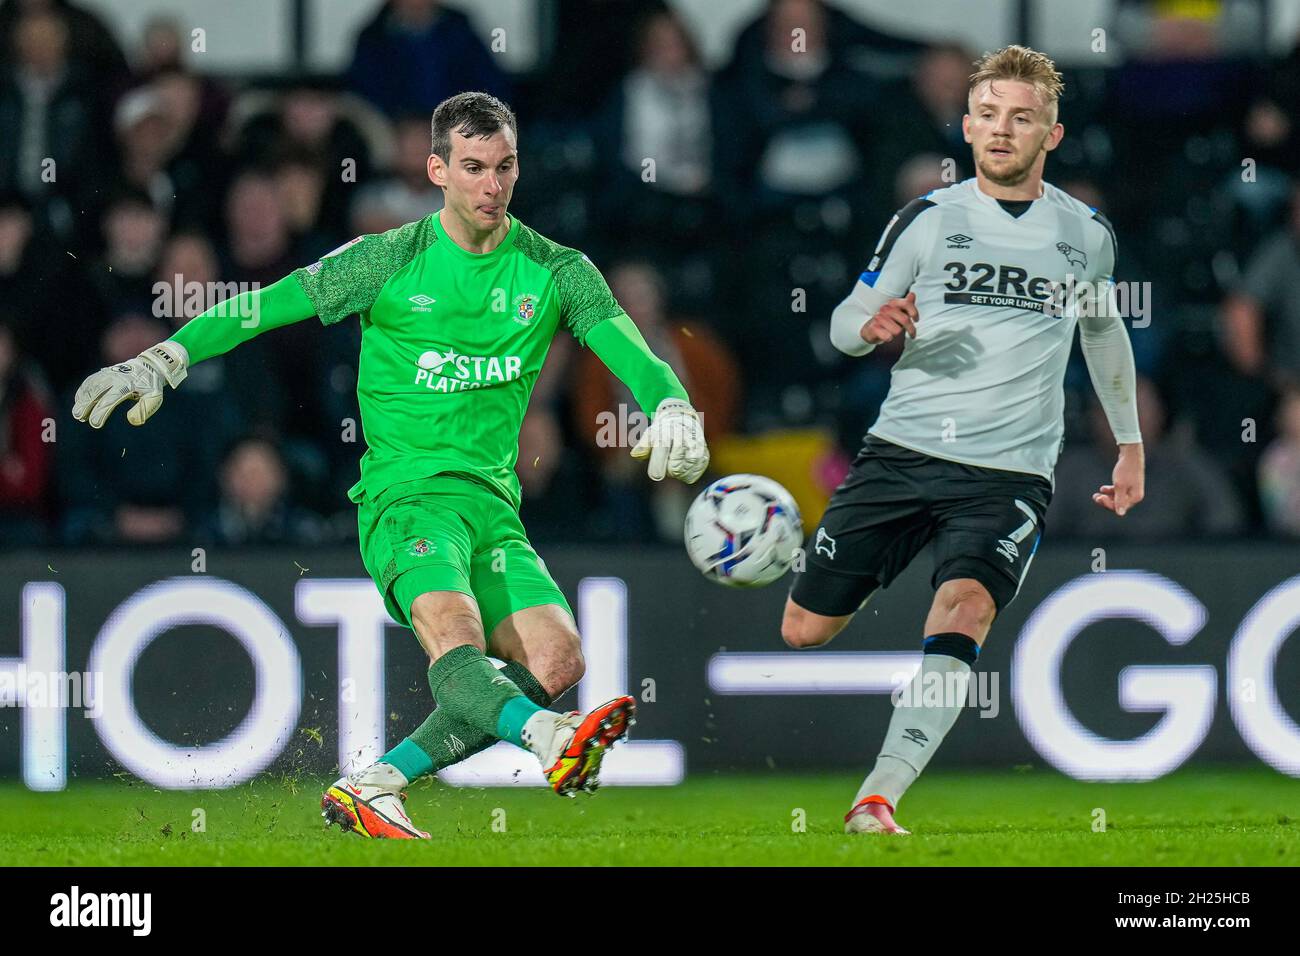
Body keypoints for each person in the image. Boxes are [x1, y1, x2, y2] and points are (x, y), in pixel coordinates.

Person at [71, 92, 710, 838]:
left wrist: (670, 405)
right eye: (472, 167)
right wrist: (169, 354)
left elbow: (635, 355)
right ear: (437, 169)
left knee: (558, 658)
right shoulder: (386, 259)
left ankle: (379, 782)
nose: (491, 185)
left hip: (494, 509)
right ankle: (548, 738)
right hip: (407, 498)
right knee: (456, 631)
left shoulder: (557, 271)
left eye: (504, 167)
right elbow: (259, 307)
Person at [782, 46, 1145, 834]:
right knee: (805, 629)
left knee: (965, 607)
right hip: (902, 453)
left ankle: (877, 795)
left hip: (1009, 472)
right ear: (967, 124)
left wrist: (1130, 443)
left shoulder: (1085, 234)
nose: (1001, 130)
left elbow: (1104, 332)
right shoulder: (928, 217)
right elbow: (847, 317)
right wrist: (869, 328)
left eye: (1021, 117)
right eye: (988, 114)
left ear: (1052, 133)